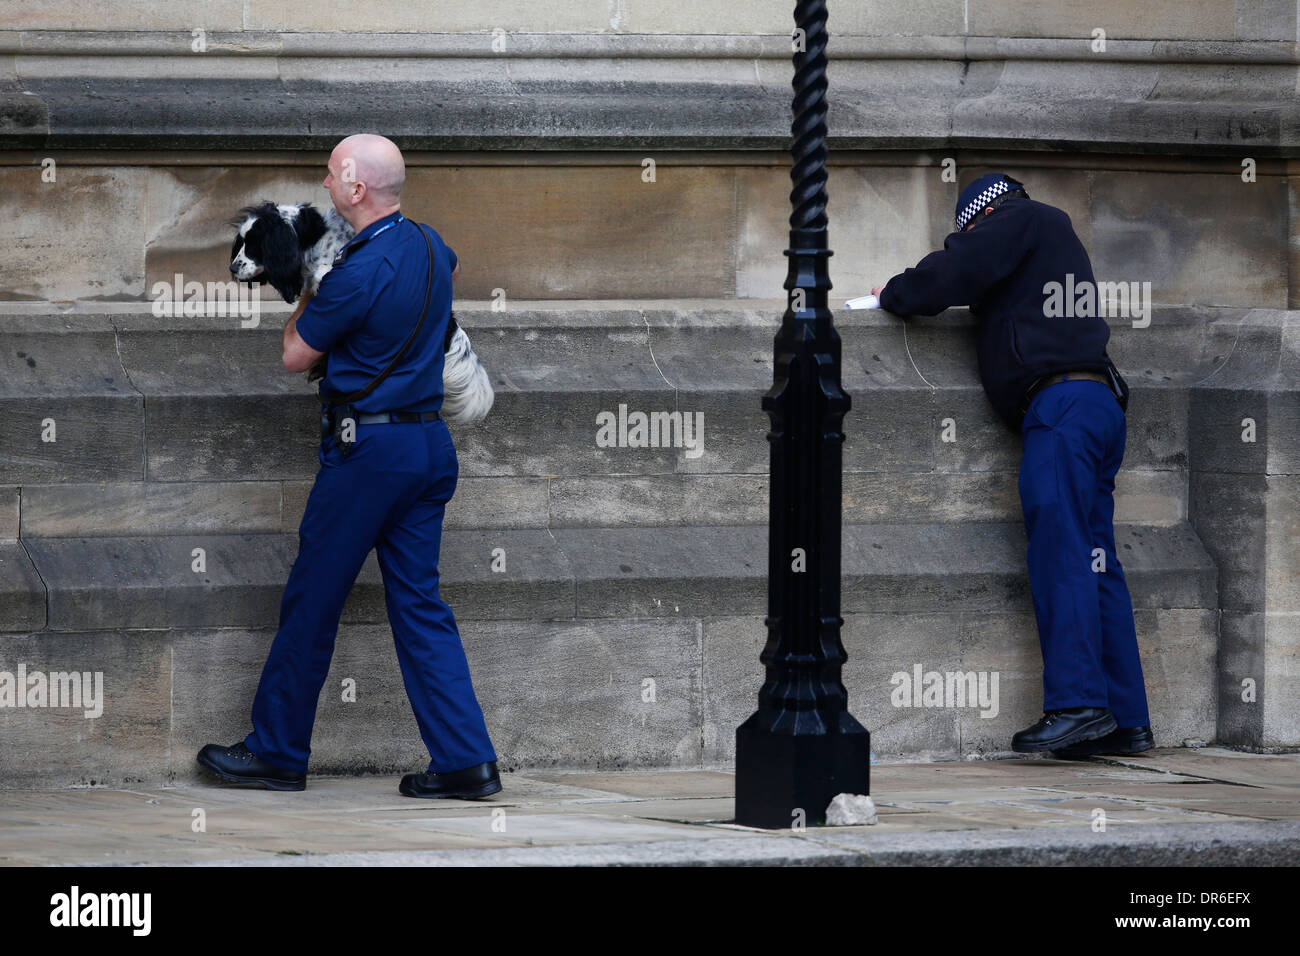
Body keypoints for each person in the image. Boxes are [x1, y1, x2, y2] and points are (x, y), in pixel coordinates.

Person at [197, 133, 501, 797]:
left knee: (313, 601)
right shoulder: (425, 242)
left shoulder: (353, 274)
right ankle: (467, 762)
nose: (325, 186)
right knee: (422, 607)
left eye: (333, 175)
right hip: (428, 449)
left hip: (369, 454)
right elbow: (444, 276)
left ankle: (276, 753)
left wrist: (307, 286)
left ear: (357, 189)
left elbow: (294, 355)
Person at [871, 172, 1153, 757]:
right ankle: (1126, 720)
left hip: (1060, 410)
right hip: (1095, 403)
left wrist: (893, 292)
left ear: (980, 215)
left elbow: (947, 275)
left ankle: (1077, 705)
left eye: (967, 229)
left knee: (1062, 551)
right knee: (1097, 558)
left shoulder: (1020, 219)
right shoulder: (1044, 241)